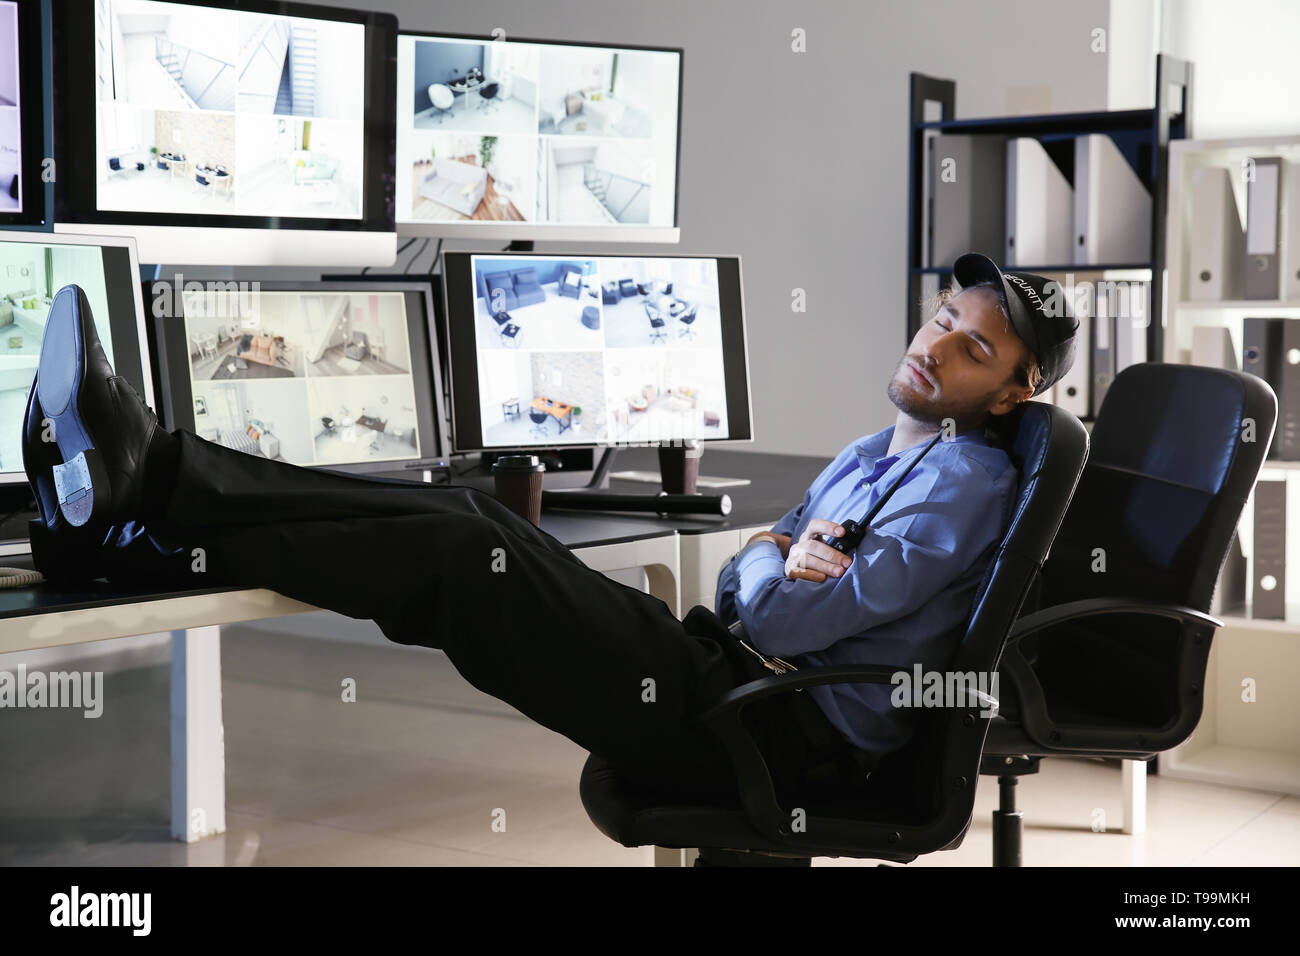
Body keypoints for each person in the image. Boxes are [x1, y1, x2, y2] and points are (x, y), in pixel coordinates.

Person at [21, 252, 1076, 808]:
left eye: (974, 350)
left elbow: (795, 615)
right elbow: (767, 569)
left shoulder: (965, 482)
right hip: (729, 669)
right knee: (474, 516)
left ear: (1011, 393)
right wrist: (773, 560)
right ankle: (137, 509)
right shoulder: (872, 450)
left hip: (768, 722)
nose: (939, 346)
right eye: (945, 318)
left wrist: (774, 569)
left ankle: (150, 481)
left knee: (456, 558)